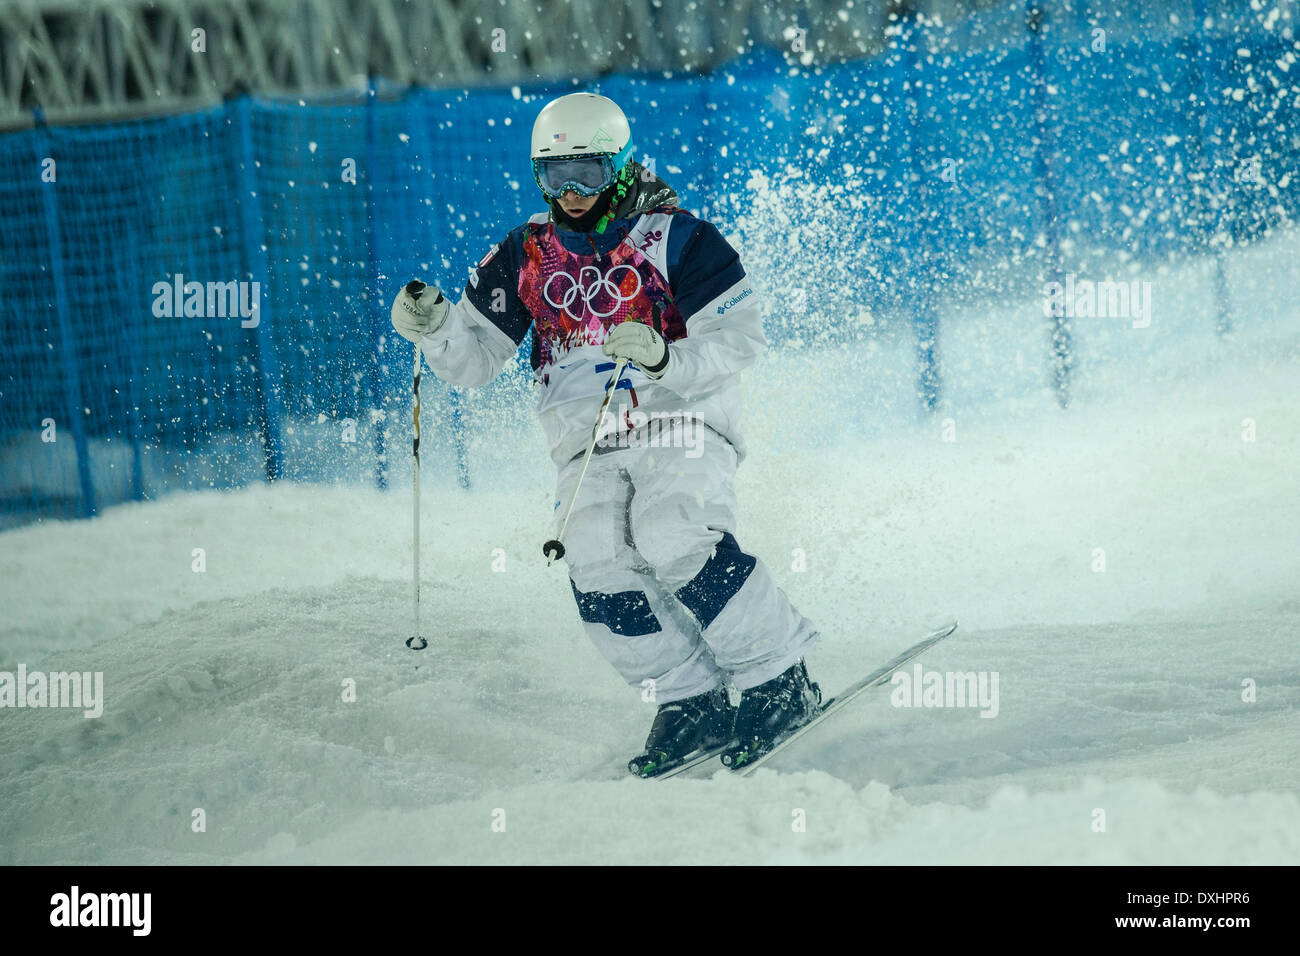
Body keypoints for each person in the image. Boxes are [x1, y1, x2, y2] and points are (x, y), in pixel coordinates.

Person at [390, 92, 819, 774]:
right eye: (552, 175)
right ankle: (688, 698)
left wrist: (663, 356)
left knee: (674, 534)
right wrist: (436, 329)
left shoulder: (678, 238)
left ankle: (778, 676)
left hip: (680, 418)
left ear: (619, 167)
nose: (571, 192)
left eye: (587, 173)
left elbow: (742, 339)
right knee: (593, 562)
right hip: (584, 441)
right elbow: (473, 363)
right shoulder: (527, 252)